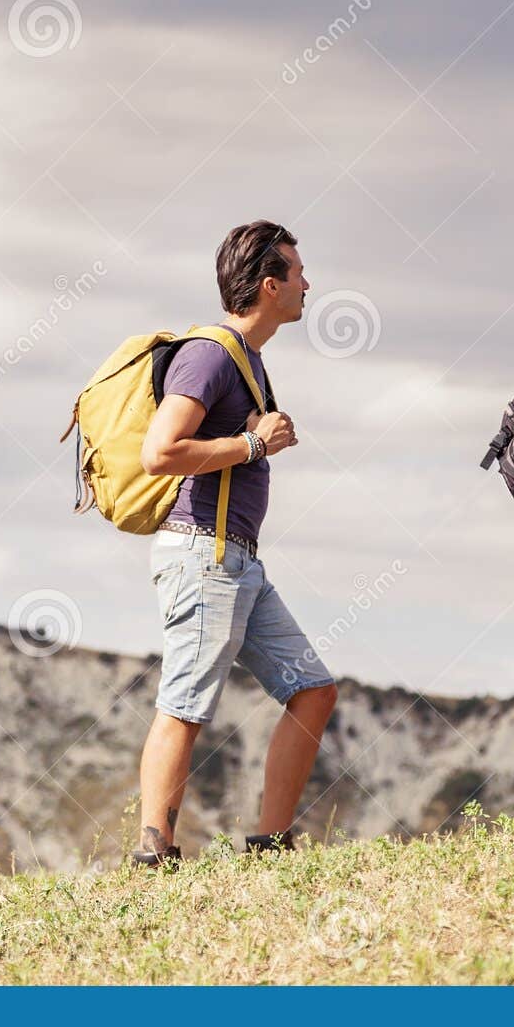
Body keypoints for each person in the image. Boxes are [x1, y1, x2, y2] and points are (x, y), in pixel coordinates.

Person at [133, 221, 339, 866]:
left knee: (314, 689)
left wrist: (254, 433)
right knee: (186, 704)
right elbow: (159, 452)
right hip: (204, 553)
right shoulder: (211, 354)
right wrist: (254, 442)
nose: (309, 283)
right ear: (271, 286)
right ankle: (153, 855)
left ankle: (271, 844)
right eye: (299, 273)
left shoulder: (248, 361)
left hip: (237, 559)